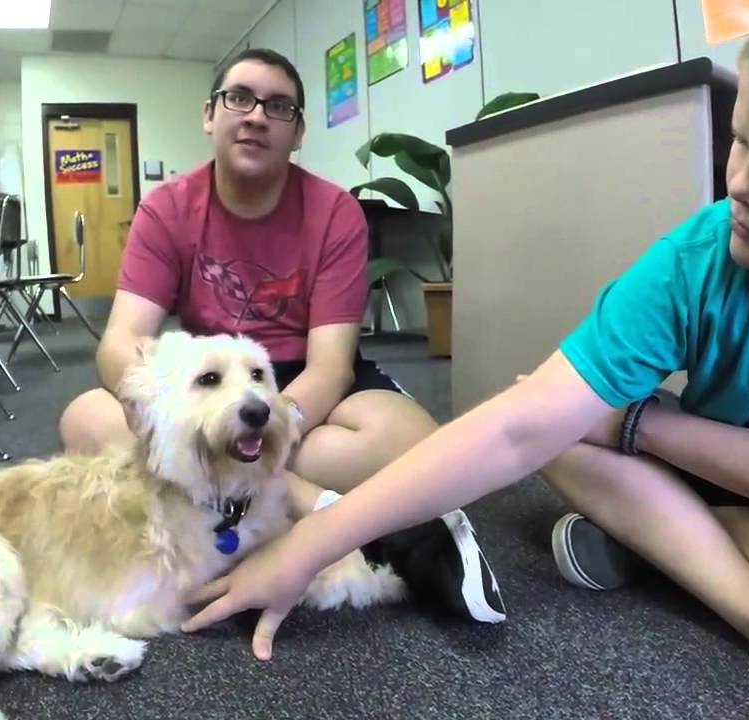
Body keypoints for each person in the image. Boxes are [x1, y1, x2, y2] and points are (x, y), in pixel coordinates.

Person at [181, 2, 749, 719]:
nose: (740, 185)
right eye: (740, 142)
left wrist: (640, 428)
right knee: (556, 428)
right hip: (720, 466)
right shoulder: (699, 255)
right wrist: (311, 545)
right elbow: (522, 424)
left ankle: (668, 539)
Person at [58, 47, 507, 623]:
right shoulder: (166, 210)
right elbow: (120, 342)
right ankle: (312, 505)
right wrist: (163, 409)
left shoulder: (335, 211)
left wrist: (275, 425)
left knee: (418, 444)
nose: (255, 116)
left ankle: (234, 497)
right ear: (210, 114)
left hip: (305, 381)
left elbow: (331, 366)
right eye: (239, 98)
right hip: (214, 384)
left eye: (278, 106)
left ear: (297, 133)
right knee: (85, 419)